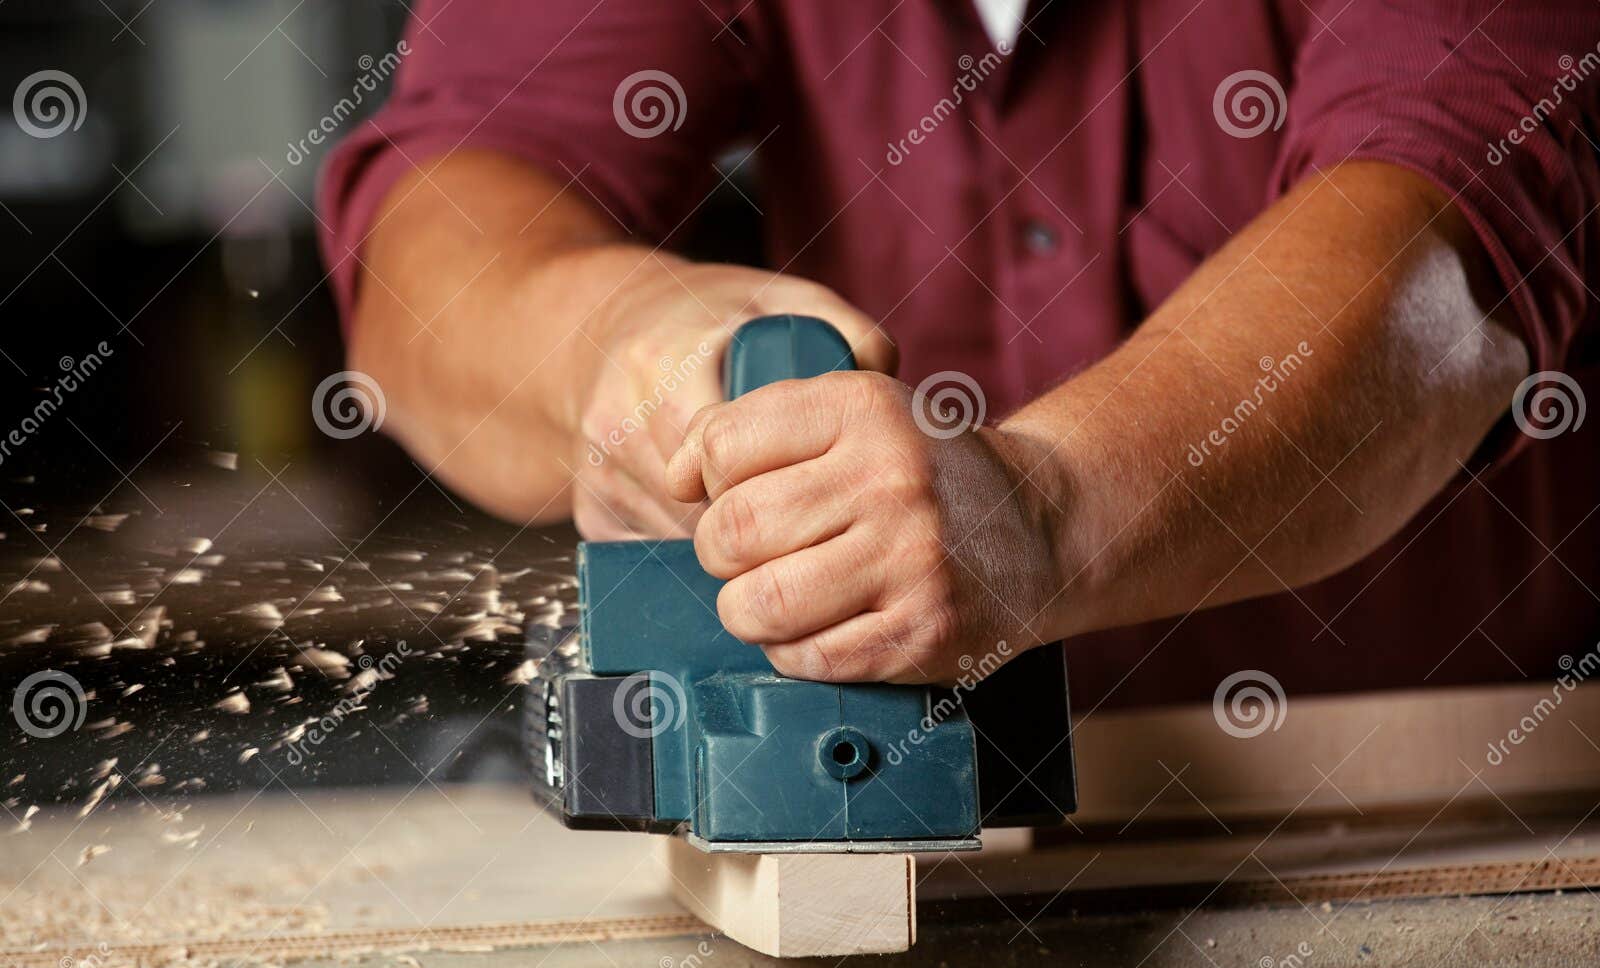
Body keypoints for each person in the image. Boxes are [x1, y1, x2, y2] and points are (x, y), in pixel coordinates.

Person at [319, 1, 1600, 711]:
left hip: (1459, 801)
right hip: (951, 857)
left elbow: (1447, 235)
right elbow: (443, 219)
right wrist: (606, 343)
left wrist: (1044, 511)